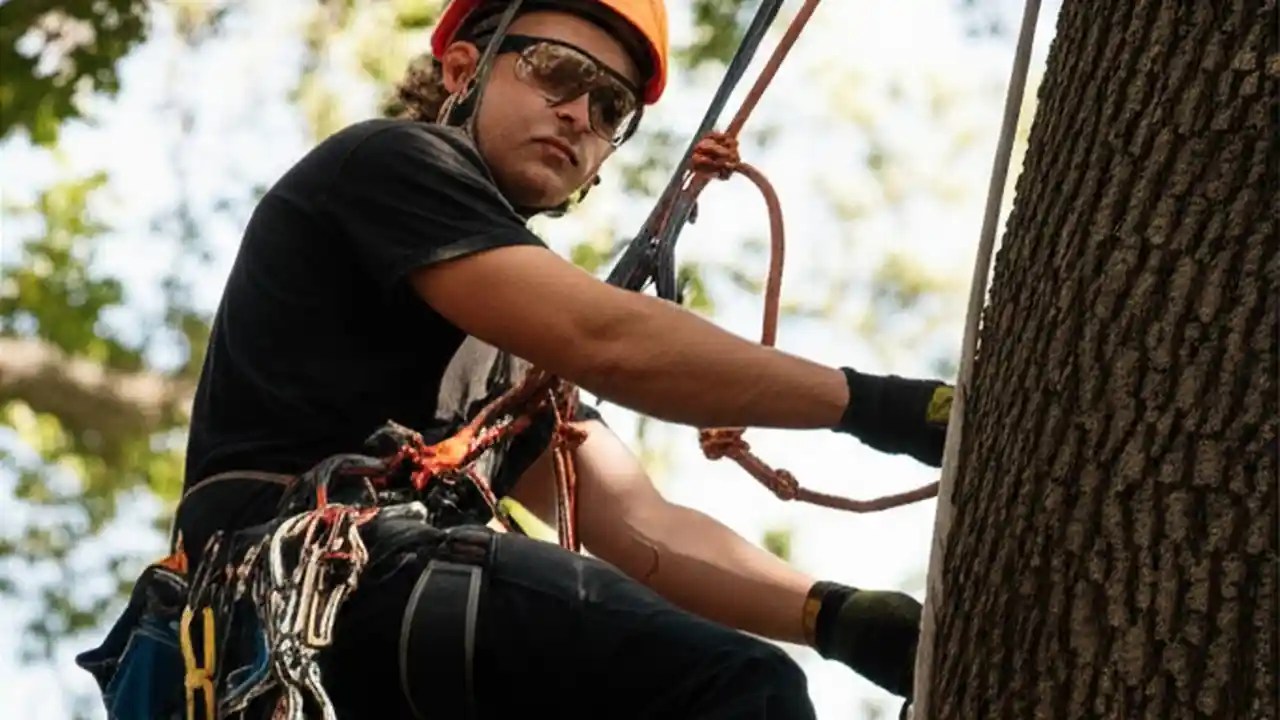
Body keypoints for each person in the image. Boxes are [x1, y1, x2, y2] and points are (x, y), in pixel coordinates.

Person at [102, 0, 955, 718]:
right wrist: (892, 409)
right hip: (326, 590)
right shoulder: (392, 165)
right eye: (554, 70)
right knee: (740, 690)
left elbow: (644, 527)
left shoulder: (513, 356)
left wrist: (837, 617)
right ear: (463, 70)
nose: (581, 114)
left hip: (369, 629)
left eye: (611, 106)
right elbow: (608, 338)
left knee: (747, 680)